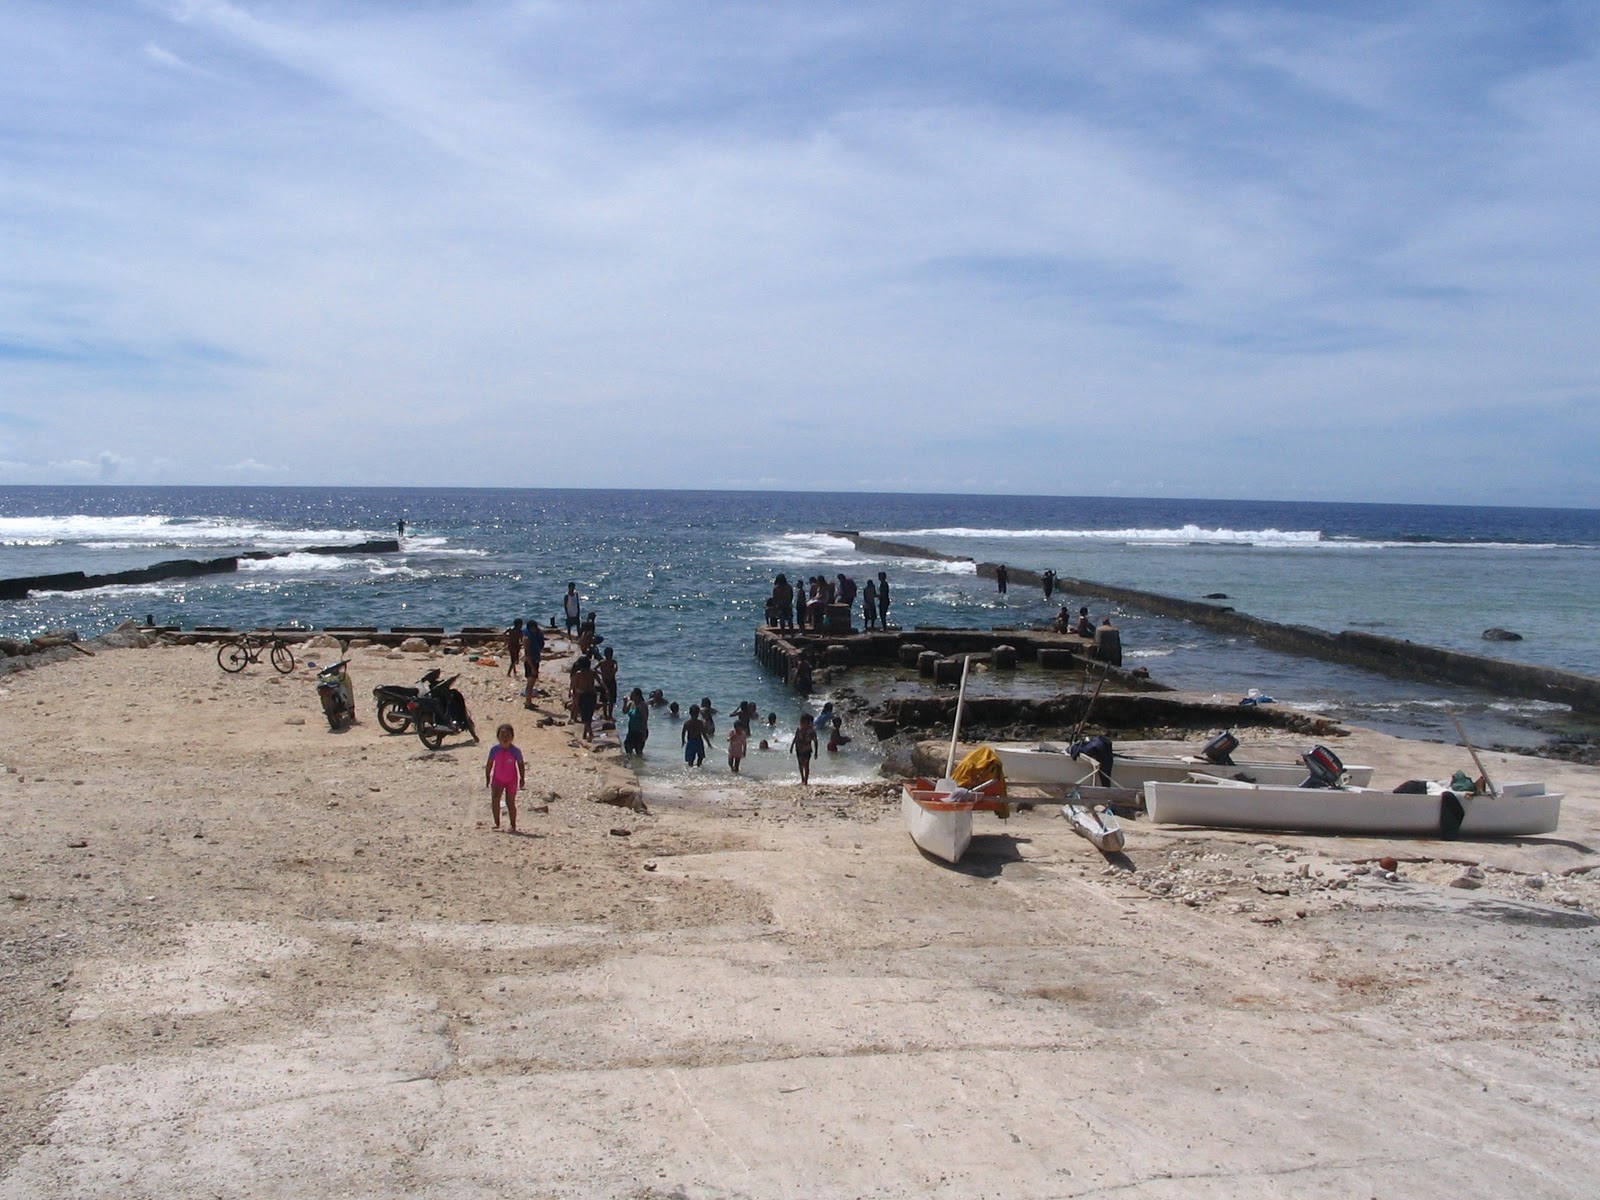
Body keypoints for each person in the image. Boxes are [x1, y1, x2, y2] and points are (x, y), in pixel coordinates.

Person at [484, 723, 526, 834]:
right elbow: (489, 764)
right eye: (502, 735)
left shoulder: (516, 751)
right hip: (497, 779)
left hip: (511, 780)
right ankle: (496, 823)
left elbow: (521, 764)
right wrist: (487, 776)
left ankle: (513, 825)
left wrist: (522, 778)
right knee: (495, 799)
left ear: (512, 737)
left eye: (508, 735)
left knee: (510, 802)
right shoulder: (494, 750)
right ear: (498, 737)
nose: (505, 738)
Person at [568, 654, 599, 740]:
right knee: (589, 715)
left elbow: (574, 686)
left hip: (583, 695)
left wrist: (572, 693)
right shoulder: (592, 672)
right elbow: (600, 681)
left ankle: (590, 733)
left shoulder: (578, 674)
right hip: (592, 695)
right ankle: (585, 734)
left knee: (585, 716)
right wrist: (606, 690)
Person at [790, 713, 818, 784]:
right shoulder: (799, 729)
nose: (801, 723)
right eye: (801, 721)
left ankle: (806, 780)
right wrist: (792, 746)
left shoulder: (811, 731)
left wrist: (816, 752)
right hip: (798, 749)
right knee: (800, 764)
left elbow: (815, 742)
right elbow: (795, 738)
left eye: (803, 722)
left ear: (808, 723)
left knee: (806, 764)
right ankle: (802, 778)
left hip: (807, 750)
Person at [522, 621, 545, 707]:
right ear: (531, 628)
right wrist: (533, 668)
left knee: (532, 682)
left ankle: (529, 701)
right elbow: (527, 655)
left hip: (535, 660)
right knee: (530, 683)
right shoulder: (527, 638)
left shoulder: (535, 634)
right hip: (530, 662)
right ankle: (528, 702)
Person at [623, 687, 649, 757]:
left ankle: (639, 766)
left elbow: (645, 719)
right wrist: (625, 702)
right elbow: (624, 711)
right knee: (627, 747)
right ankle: (630, 764)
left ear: (637, 696)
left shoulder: (642, 705)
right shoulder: (631, 703)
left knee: (638, 751)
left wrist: (644, 732)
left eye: (632, 694)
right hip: (631, 730)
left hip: (640, 731)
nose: (630, 696)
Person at [598, 647, 619, 722]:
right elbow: (616, 669)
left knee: (604, 700)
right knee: (611, 700)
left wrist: (601, 673)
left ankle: (605, 715)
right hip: (612, 681)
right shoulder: (613, 662)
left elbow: (594, 669)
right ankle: (610, 715)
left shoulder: (602, 662)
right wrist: (612, 673)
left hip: (604, 681)